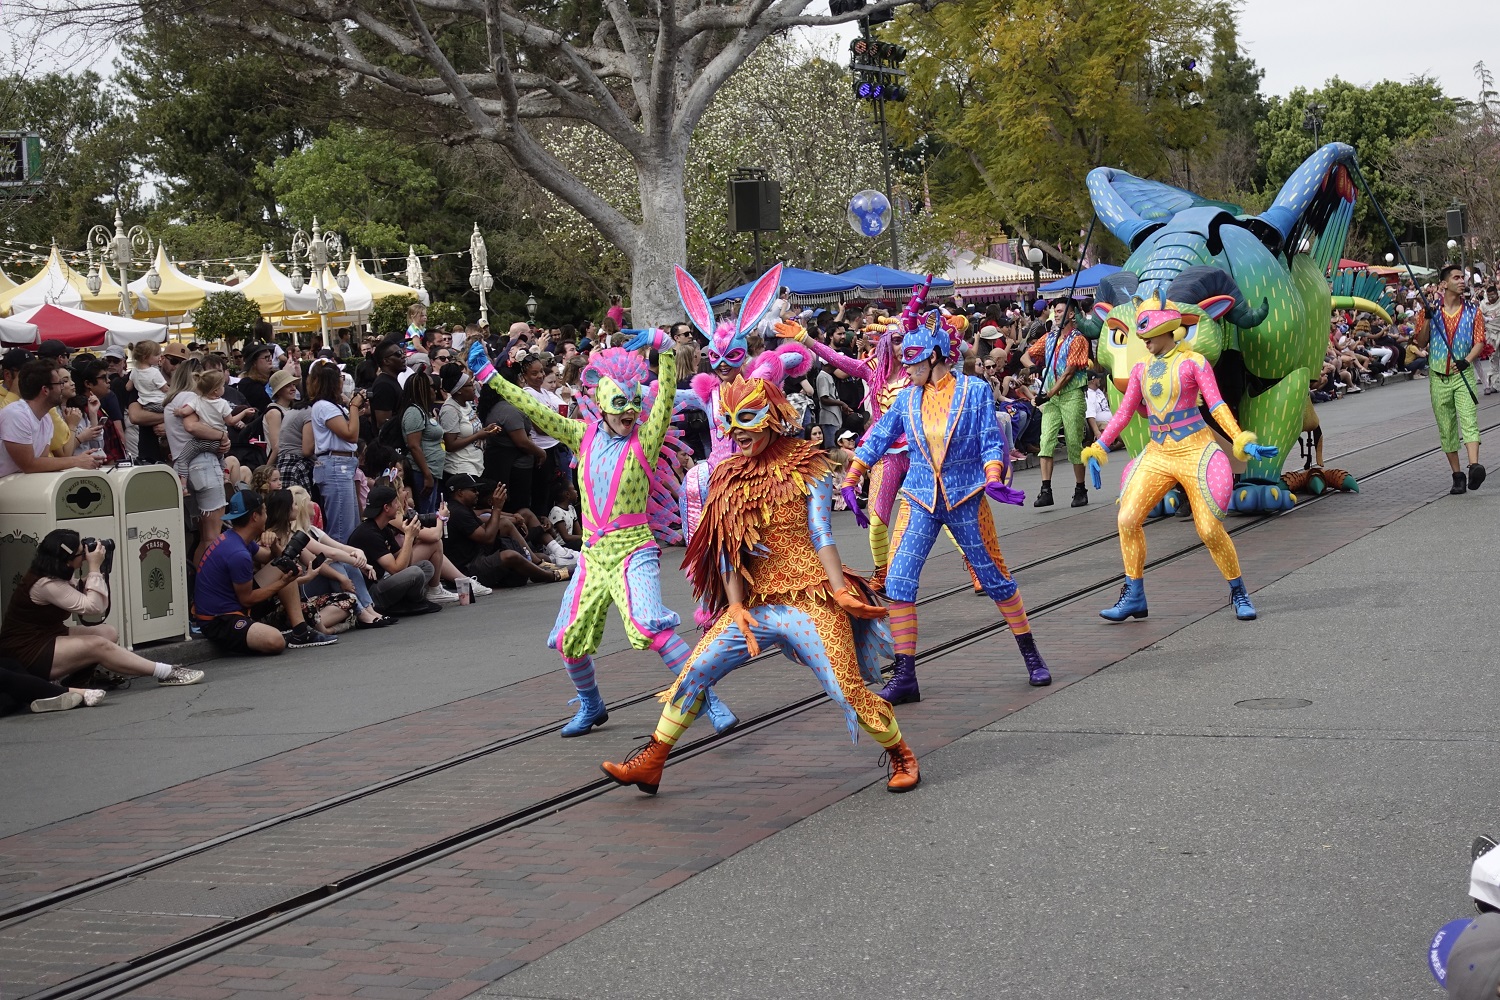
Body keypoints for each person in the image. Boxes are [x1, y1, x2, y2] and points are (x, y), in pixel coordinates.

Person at [600, 352, 918, 795]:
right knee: (695, 669)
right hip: (755, 604)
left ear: (771, 416)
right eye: (729, 422)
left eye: (746, 419)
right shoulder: (726, 475)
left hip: (811, 597)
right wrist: (733, 606)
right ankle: (651, 761)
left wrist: (840, 590)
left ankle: (901, 753)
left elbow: (821, 533)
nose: (737, 431)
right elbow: (727, 550)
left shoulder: (807, 464)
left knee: (845, 687)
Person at [468, 332, 738, 737]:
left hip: (634, 549)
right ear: (602, 405)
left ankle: (707, 699)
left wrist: (665, 348)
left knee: (650, 626)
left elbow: (665, 396)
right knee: (568, 638)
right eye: (619, 404)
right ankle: (591, 704)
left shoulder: (646, 439)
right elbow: (531, 407)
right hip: (593, 554)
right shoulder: (583, 435)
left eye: (633, 404)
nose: (629, 411)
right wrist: (490, 376)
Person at [843, 308, 1051, 704]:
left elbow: (990, 439)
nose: (906, 367)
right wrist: (852, 476)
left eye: (913, 359)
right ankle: (905, 676)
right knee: (898, 581)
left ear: (935, 355)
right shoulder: (907, 398)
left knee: (995, 579)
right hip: (920, 498)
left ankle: (1031, 654)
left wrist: (993, 476)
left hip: (966, 497)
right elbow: (878, 436)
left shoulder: (973, 391)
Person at [1082, 285, 1275, 623]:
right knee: (1127, 519)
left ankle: (1239, 591)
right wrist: (1098, 447)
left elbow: (1217, 405)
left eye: (1148, 334)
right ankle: (1134, 596)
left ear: (1166, 329)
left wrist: (1239, 439)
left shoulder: (1193, 362)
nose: (1143, 340)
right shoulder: (1141, 369)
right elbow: (1124, 413)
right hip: (1158, 453)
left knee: (1209, 529)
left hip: (1195, 450)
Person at [1, 528, 203, 685]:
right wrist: (95, 567)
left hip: (46, 636)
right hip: (27, 652)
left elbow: (88, 599)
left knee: (107, 633)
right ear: (67, 560)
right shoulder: (45, 584)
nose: (85, 555)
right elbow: (94, 608)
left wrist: (95, 572)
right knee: (99, 645)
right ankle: (166, 672)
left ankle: (77, 682)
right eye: (81, 553)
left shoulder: (56, 571)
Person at [194, 490, 307, 654]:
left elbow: (270, 559)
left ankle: (301, 631)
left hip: (233, 604)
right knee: (275, 641)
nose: (267, 516)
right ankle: (277, 633)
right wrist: (283, 582)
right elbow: (247, 600)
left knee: (283, 568)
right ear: (255, 516)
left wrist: (274, 544)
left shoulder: (235, 536)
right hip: (218, 620)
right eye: (265, 511)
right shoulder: (238, 554)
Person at [1414, 264, 1486, 494]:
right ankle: (1457, 475)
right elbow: (1421, 342)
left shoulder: (1473, 311)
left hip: (1463, 374)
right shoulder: (1431, 311)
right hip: (1438, 377)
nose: (1462, 281)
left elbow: (1479, 341)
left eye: (1463, 277)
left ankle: (1474, 467)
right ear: (1444, 284)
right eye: (1457, 277)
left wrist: (1467, 359)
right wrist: (1427, 318)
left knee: (1469, 420)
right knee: (1446, 427)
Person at [348, 484, 466, 615]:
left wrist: (412, 538)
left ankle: (407, 600)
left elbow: (403, 560)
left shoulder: (383, 528)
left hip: (383, 580)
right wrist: (409, 537)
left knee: (426, 566)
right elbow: (396, 569)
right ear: (386, 508)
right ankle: (407, 602)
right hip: (372, 593)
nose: (398, 506)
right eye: (395, 503)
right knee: (415, 572)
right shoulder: (368, 533)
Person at [445, 475, 571, 589]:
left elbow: (483, 525)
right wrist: (497, 508)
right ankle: (551, 576)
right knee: (510, 555)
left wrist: (508, 518)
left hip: (476, 556)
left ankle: (538, 564)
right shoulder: (458, 512)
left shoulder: (461, 508)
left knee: (505, 524)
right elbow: (487, 538)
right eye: (473, 490)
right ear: (460, 492)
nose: (477, 493)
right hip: (465, 571)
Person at [1024, 298, 1091, 507]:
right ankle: (1046, 490)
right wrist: (1034, 368)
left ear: (1071, 314)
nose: (1057, 314)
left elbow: (1069, 372)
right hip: (1052, 398)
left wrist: (1048, 393)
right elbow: (1026, 355)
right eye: (1055, 311)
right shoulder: (1049, 337)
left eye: (1061, 311)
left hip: (1071, 395)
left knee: (1073, 441)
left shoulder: (1078, 340)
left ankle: (1080, 489)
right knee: (1046, 441)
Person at [0, 361, 105, 475]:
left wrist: (82, 459)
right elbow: (28, 465)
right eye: (60, 383)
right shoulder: (16, 414)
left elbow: (43, 462)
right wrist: (76, 461)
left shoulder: (46, 418)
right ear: (45, 390)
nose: (62, 388)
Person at [308, 361, 365, 541]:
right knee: (342, 530)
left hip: (342, 465)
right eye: (340, 377)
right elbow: (351, 435)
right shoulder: (323, 406)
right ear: (332, 381)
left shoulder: (331, 406)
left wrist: (355, 412)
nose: (343, 381)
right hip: (336, 466)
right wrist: (354, 406)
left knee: (352, 527)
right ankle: (338, 560)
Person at [438, 364, 494, 491]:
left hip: (475, 464)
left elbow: (471, 429)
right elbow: (450, 445)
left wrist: (485, 431)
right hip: (460, 468)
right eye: (469, 385)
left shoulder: (467, 405)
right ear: (459, 390)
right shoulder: (450, 410)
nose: (474, 387)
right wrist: (478, 435)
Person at [399, 364, 446, 513]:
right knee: (424, 515)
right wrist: (427, 475)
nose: (435, 390)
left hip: (431, 472)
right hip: (421, 473)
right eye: (432, 387)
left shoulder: (424, 411)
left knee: (431, 514)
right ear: (423, 389)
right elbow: (414, 446)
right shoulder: (414, 412)